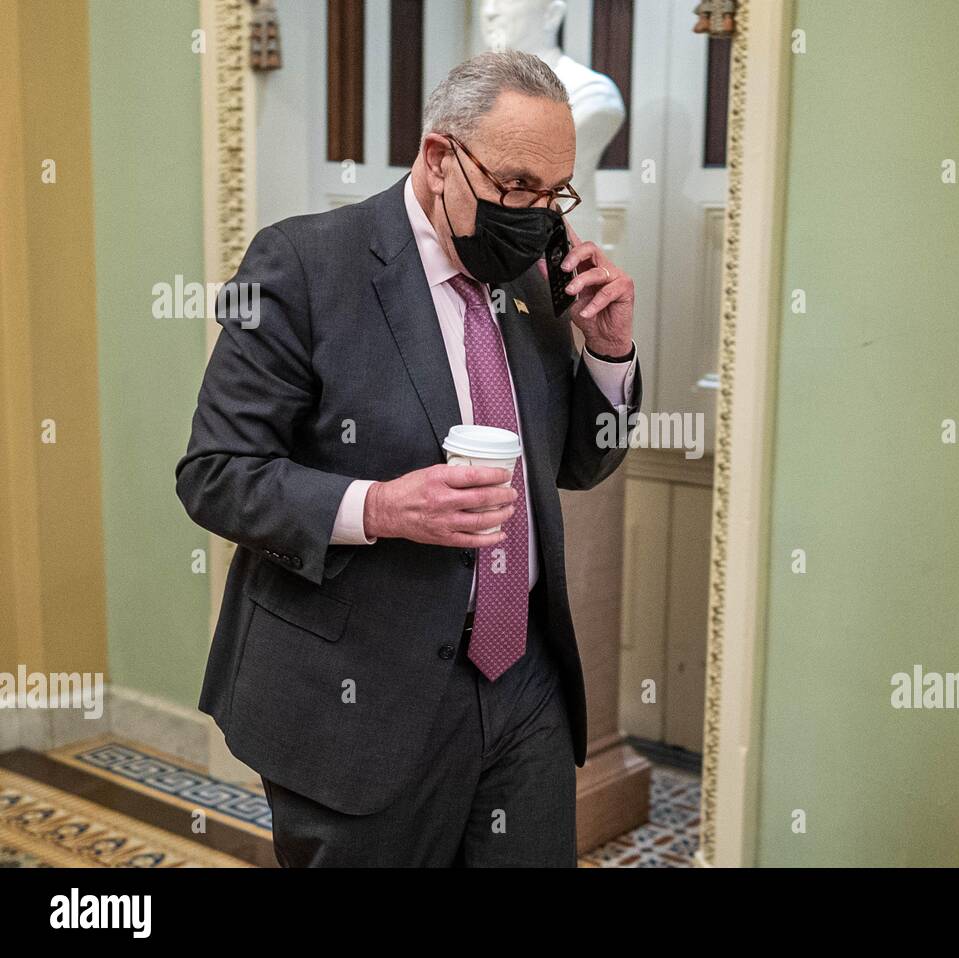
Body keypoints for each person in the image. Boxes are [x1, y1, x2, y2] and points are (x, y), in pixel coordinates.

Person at [176, 50, 641, 866]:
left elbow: (575, 467)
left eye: (554, 194)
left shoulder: (533, 284)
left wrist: (610, 353)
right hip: (360, 697)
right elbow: (216, 474)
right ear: (438, 158)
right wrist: (382, 507)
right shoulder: (303, 266)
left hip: (524, 683)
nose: (537, 215)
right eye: (516, 187)